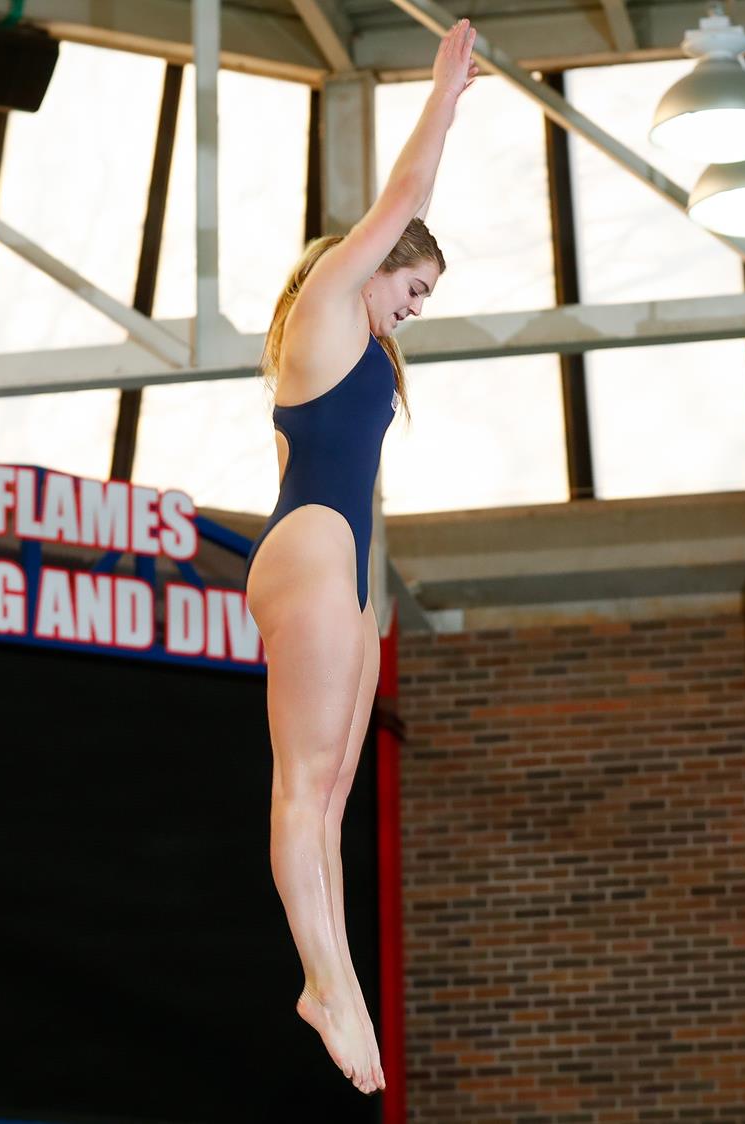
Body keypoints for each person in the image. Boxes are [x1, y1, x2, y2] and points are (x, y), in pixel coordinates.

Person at [243, 18, 479, 1096]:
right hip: (305, 551)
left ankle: (332, 977)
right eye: (412, 287)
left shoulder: (364, 337)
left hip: (335, 559)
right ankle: (322, 976)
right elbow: (404, 192)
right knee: (302, 783)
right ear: (378, 261)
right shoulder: (330, 301)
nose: (412, 309)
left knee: (335, 784)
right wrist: (443, 94)